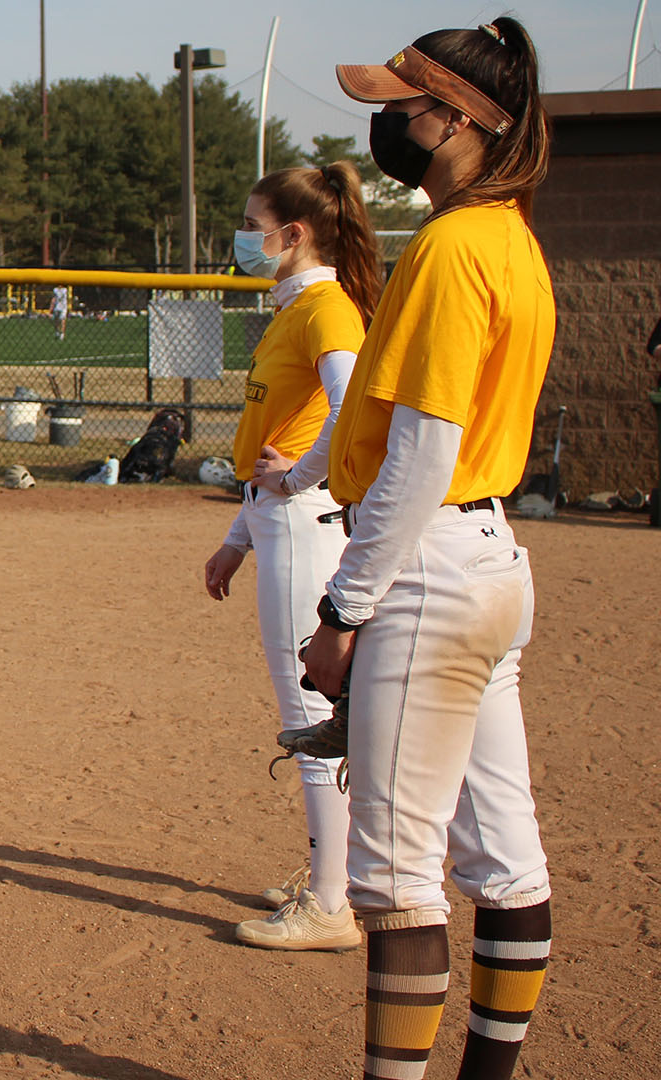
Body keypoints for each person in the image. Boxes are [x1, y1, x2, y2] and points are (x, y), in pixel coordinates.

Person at [302, 20, 555, 1079]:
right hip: (489, 559)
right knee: (505, 859)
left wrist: (345, 611)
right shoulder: (510, 237)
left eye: (406, 104)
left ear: (458, 121)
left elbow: (422, 453)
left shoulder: (455, 246)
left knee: (401, 878)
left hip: (428, 565)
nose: (389, 121)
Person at [202, 162, 384, 951]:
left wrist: (299, 479)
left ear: (294, 233)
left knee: (311, 713)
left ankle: (332, 906)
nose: (244, 237)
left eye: (253, 222)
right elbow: (276, 440)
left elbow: (352, 414)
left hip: (306, 522)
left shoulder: (325, 309)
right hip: (279, 520)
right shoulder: (294, 309)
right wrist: (238, 537)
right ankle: (330, 875)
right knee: (313, 712)